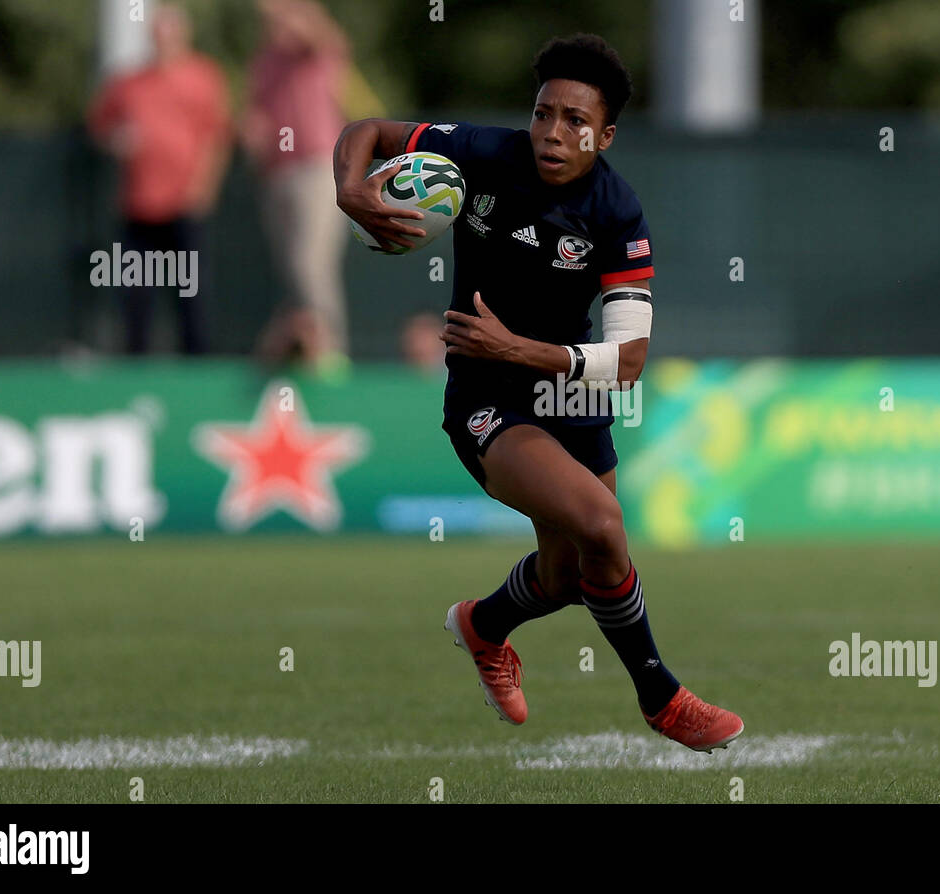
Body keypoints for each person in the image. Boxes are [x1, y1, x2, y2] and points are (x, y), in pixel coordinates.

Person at [333, 34, 743, 752]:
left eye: (575, 121)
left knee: (569, 578)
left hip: (572, 395)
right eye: (543, 112)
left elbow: (628, 363)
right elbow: (364, 131)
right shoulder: (485, 154)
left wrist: (518, 347)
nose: (553, 132)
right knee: (604, 528)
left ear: (605, 134)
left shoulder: (616, 212)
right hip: (487, 400)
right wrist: (348, 187)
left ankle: (483, 626)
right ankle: (662, 697)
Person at [88, 3, 230, 354]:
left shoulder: (204, 76)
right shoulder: (128, 82)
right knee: (137, 296)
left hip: (184, 204)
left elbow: (217, 136)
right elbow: (99, 126)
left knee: (191, 295)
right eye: (158, 32)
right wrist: (115, 141)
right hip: (139, 205)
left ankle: (197, 374)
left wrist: (203, 188)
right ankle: (137, 376)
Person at [245, 0, 354, 377]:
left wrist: (285, 9)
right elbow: (256, 110)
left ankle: (331, 351)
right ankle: (299, 349)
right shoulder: (264, 62)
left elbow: (319, 32)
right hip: (277, 172)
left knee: (310, 263)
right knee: (291, 269)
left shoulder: (318, 52)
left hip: (317, 167)